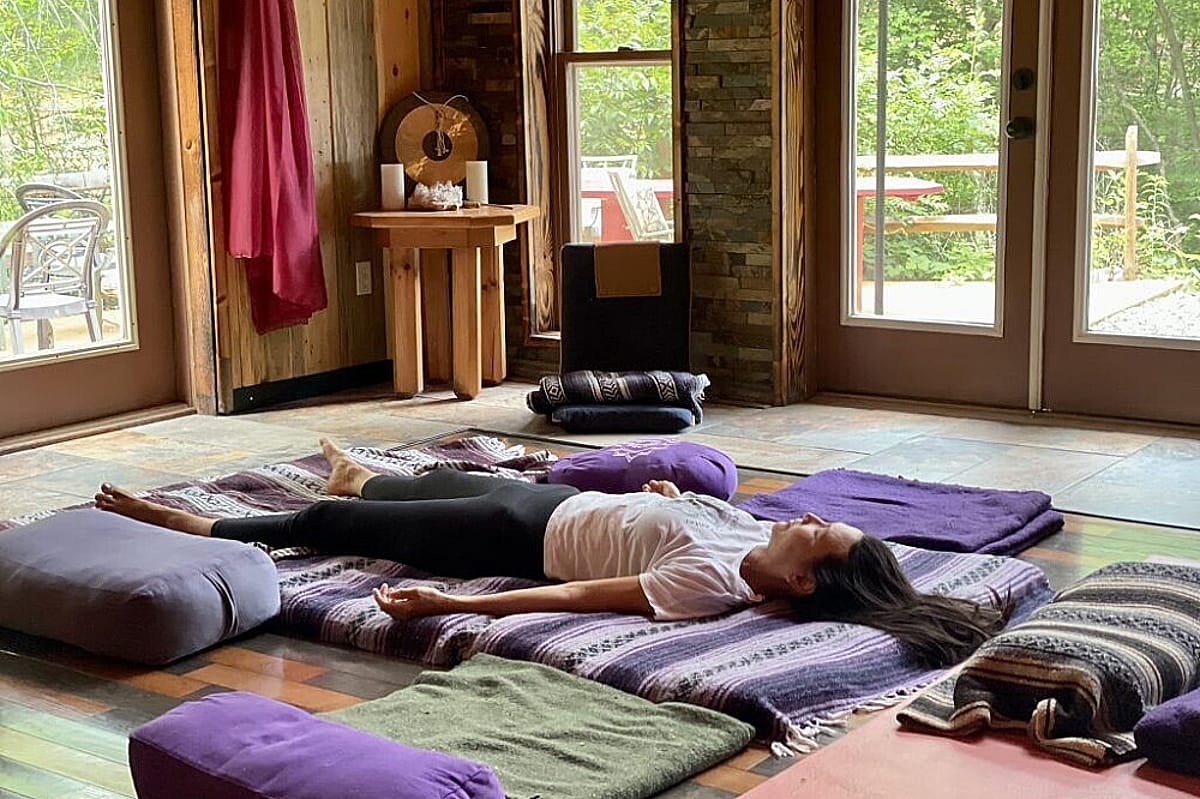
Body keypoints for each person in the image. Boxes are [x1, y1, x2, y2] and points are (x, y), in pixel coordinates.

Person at [94, 440, 1012, 667]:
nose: (799, 515)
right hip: (552, 498)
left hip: (515, 540)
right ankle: (357, 471)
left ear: (801, 577)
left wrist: (453, 606)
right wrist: (663, 496)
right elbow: (693, 510)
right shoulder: (743, 536)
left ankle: (195, 526)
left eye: (811, 530)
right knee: (411, 484)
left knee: (331, 527)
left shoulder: (707, 592)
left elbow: (578, 597)